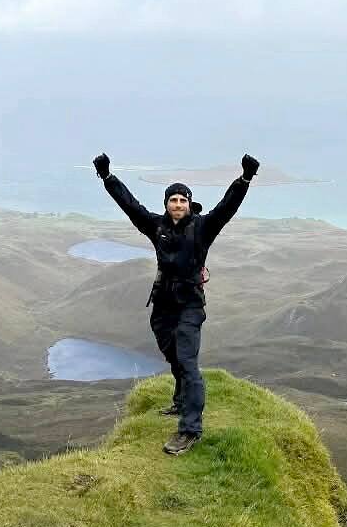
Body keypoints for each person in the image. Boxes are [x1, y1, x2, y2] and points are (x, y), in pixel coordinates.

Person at [93, 152, 258, 455]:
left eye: (183, 200)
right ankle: (181, 400)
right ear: (166, 204)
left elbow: (226, 208)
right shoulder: (157, 226)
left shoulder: (203, 227)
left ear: (189, 204)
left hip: (190, 306)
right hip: (163, 305)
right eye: (173, 200)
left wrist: (244, 179)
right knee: (172, 355)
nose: (178, 205)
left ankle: (190, 429)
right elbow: (130, 206)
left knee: (188, 362)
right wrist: (107, 178)